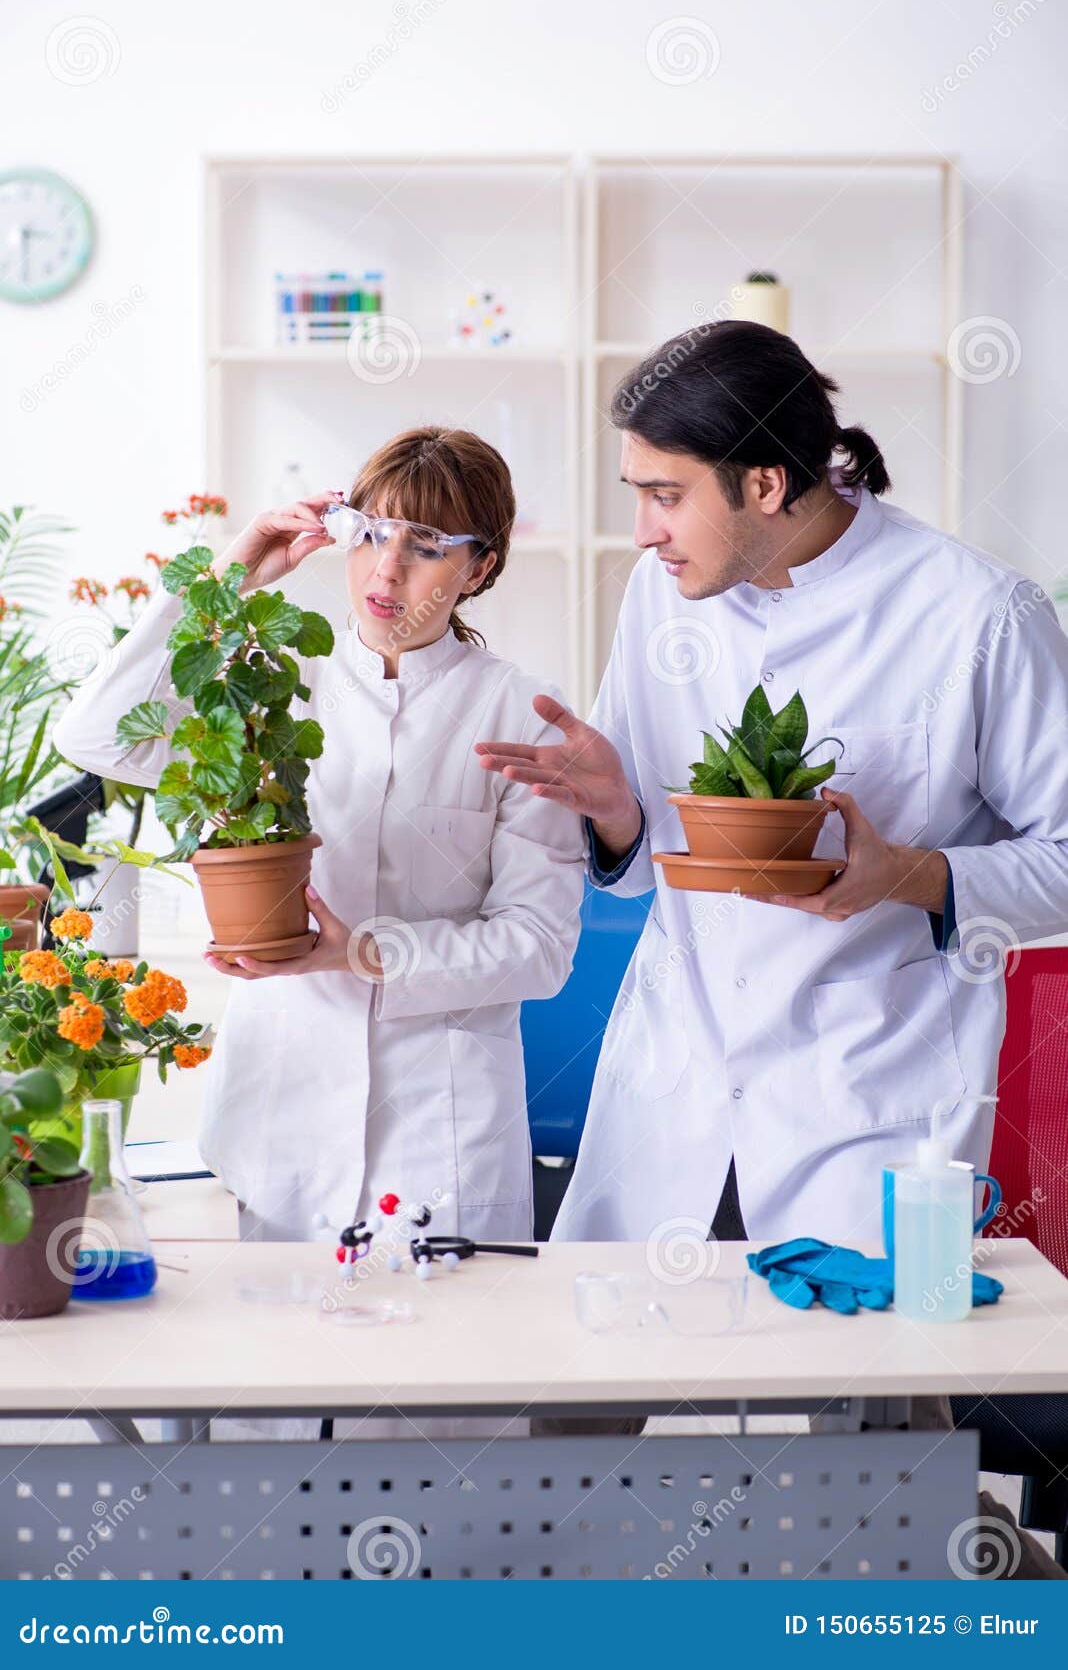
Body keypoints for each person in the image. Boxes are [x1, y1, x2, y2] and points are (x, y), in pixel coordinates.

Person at [476, 319, 1068, 1249]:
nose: (644, 533)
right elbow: (643, 868)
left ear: (764, 482)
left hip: (867, 1101)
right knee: (591, 1376)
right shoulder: (661, 595)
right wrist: (618, 811)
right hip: (675, 1087)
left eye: (667, 496)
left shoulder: (980, 615)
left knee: (877, 1387)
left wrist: (911, 875)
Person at [53, 426, 585, 1251]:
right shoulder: (274, 682)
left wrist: (362, 951)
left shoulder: (522, 714)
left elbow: (540, 947)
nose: (387, 568)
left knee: (449, 1370)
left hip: (441, 1141)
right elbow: (97, 738)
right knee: (280, 1373)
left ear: (479, 568)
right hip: (280, 1124)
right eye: (371, 531)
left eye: (427, 546)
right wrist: (232, 570)